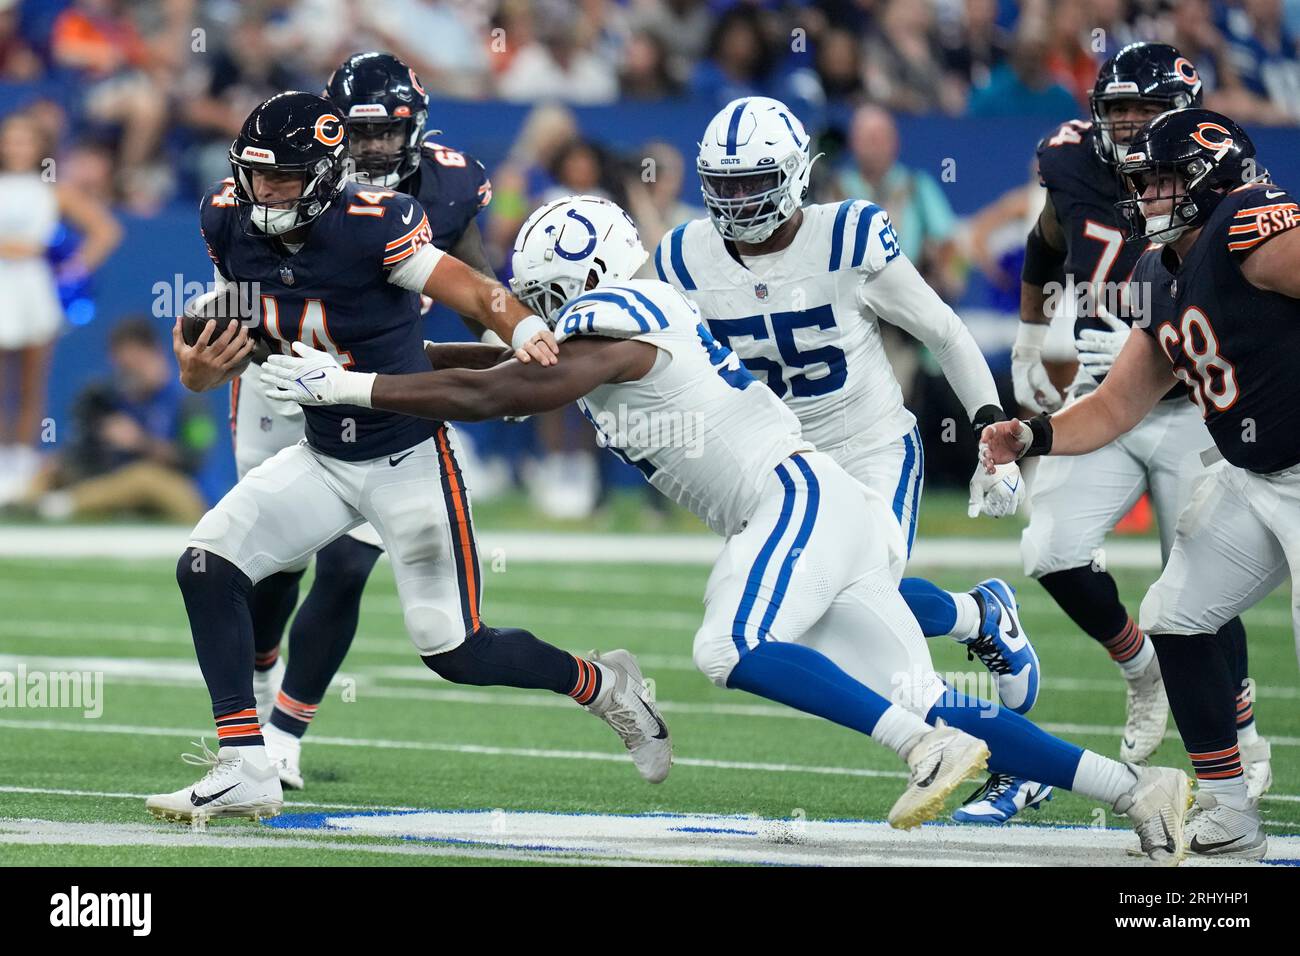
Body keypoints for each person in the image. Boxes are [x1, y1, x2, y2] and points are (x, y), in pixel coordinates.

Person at [262, 194, 1196, 864]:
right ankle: (1135, 790)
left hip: (793, 503)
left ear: (578, 286)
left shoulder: (612, 318)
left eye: (543, 300)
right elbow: (496, 364)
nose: (535, 320)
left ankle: (924, 751)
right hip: (820, 508)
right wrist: (373, 358)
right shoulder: (619, 315)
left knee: (730, 641)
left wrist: (354, 386)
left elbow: (511, 386)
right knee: (926, 695)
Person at [147, 92, 670, 824]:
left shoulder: (372, 225)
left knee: (454, 649)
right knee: (206, 564)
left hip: (405, 456)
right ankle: (246, 763)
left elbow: (478, 290)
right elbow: (222, 340)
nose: (265, 195)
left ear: (328, 175)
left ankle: (603, 684)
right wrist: (200, 369)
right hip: (323, 453)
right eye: (256, 177)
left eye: (285, 179)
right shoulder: (226, 218)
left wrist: (521, 332)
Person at [654, 96, 1037, 734]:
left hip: (868, 446)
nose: (739, 199)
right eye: (725, 184)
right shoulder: (683, 255)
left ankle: (983, 738)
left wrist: (988, 428)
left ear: (797, 173)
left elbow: (943, 331)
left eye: (754, 181)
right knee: (804, 623)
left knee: (854, 605)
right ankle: (978, 615)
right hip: (777, 468)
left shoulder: (848, 233)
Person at [174, 53, 502, 790]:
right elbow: (229, 301)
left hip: (368, 393)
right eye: (360, 130)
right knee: (270, 563)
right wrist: (200, 362)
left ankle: (286, 730)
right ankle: (256, 695)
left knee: (350, 560)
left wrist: (515, 349)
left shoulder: (444, 187)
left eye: (390, 130)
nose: (377, 146)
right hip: (275, 382)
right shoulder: (262, 195)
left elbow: (481, 288)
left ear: (416, 128)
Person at [980, 108, 1297, 860]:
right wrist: (1033, 436)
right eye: (1142, 180)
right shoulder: (1160, 272)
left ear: (1210, 174)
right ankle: (1227, 809)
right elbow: (1120, 404)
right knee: (1177, 614)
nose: (1147, 195)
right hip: (1257, 477)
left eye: (1163, 178)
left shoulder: (1254, 225)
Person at [0, 111, 120, 496]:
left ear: (39, 148)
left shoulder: (53, 188)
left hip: (33, 286)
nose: (16, 147)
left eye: (24, 140)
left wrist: (71, 270)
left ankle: (21, 464)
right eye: (10, 139)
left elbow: (105, 230)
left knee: (32, 381)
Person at [9, 316, 212, 522]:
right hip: (118, 487)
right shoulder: (114, 396)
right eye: (124, 367)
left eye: (136, 364)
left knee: (143, 477)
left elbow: (194, 458)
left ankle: (62, 505)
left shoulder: (189, 401)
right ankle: (21, 503)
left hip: (182, 492)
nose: (130, 374)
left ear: (155, 353)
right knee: (56, 465)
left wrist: (139, 442)